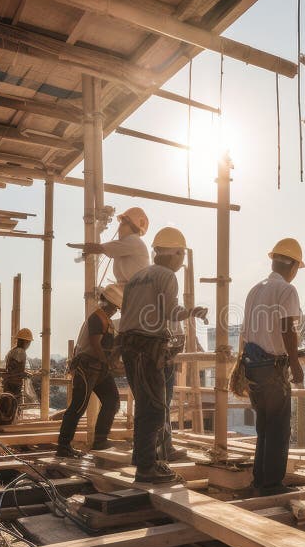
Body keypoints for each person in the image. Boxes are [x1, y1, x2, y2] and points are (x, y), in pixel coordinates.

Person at [119, 227, 207, 483]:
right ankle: (147, 468)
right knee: (156, 408)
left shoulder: (137, 277)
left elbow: (126, 315)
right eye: (181, 256)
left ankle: (143, 458)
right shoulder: (167, 275)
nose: (181, 262)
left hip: (128, 345)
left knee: (145, 405)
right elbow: (171, 312)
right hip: (147, 347)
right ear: (176, 253)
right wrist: (191, 311)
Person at [242, 238, 305, 495]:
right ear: (291, 266)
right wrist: (295, 362)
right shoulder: (286, 290)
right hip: (272, 367)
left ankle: (260, 480)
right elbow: (287, 329)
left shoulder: (255, 290)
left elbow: (246, 334)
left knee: (264, 426)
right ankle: (271, 485)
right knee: (278, 427)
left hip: (253, 366)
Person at [56, 284, 124, 458]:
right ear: (108, 303)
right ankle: (63, 446)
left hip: (99, 369)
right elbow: (95, 345)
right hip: (87, 368)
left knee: (112, 401)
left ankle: (100, 441)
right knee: (78, 406)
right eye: (115, 307)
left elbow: (108, 346)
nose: (116, 311)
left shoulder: (107, 321)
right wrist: (108, 362)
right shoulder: (97, 318)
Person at [67, 206, 150, 284]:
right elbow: (100, 248)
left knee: (106, 293)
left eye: (123, 224)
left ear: (133, 227)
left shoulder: (133, 241)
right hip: (135, 290)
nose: (119, 228)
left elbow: (98, 248)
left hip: (136, 291)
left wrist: (75, 245)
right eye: (120, 224)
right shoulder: (128, 243)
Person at [3, 328, 33, 406]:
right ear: (25, 342)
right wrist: (25, 374)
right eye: (29, 342)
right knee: (14, 407)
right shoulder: (20, 352)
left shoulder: (13, 350)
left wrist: (24, 372)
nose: (29, 345)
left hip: (9, 384)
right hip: (14, 385)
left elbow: (12, 369)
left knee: (8, 406)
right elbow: (14, 372)